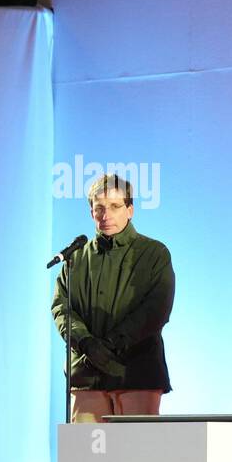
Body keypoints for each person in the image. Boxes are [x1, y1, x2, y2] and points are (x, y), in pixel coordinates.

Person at [52, 174, 174, 422]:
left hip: (136, 375)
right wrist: (85, 342)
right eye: (99, 208)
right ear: (91, 213)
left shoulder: (154, 253)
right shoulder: (75, 259)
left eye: (115, 207)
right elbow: (61, 307)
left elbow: (156, 309)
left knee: (138, 456)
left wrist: (112, 345)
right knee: (86, 457)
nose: (106, 215)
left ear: (130, 210)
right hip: (87, 378)